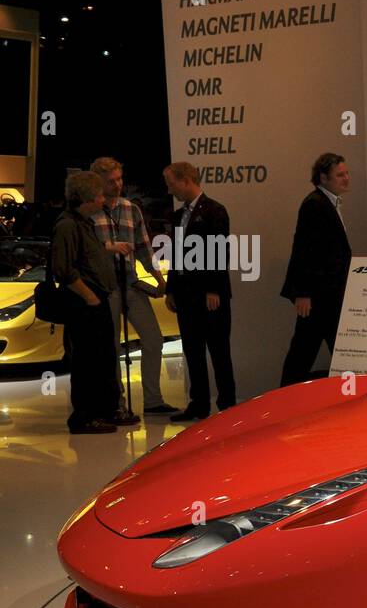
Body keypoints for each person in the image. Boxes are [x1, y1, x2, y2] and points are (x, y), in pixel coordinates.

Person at [90, 156, 177, 416]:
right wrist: (108, 248)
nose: (117, 184)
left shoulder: (131, 208)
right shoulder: (90, 210)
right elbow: (86, 249)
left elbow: (143, 247)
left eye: (119, 179)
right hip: (104, 286)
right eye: (111, 181)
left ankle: (152, 400)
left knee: (154, 340)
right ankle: (116, 402)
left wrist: (160, 279)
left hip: (131, 283)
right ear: (99, 182)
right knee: (111, 346)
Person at [163, 161, 236, 420]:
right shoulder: (177, 216)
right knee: (192, 351)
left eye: (171, 183)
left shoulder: (215, 211)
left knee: (218, 350)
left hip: (209, 295)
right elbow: (174, 256)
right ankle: (199, 404)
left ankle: (228, 404)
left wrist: (213, 289)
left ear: (185, 180)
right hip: (186, 295)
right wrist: (171, 290)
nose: (169, 189)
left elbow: (219, 251)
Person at [49, 172, 121, 433]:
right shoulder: (67, 225)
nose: (103, 200)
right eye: (100, 195)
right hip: (84, 304)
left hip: (95, 300)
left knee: (102, 357)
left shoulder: (84, 223)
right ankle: (85, 416)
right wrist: (89, 296)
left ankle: (104, 411)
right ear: (86, 198)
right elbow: (64, 269)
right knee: (87, 362)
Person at [279, 153, 353, 385]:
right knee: (303, 351)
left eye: (346, 173)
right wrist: (302, 293)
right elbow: (303, 250)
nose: (346, 178)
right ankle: (283, 401)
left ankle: (285, 399)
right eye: (340, 174)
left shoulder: (326, 203)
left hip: (328, 294)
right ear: (323, 177)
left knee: (312, 350)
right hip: (319, 295)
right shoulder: (315, 204)